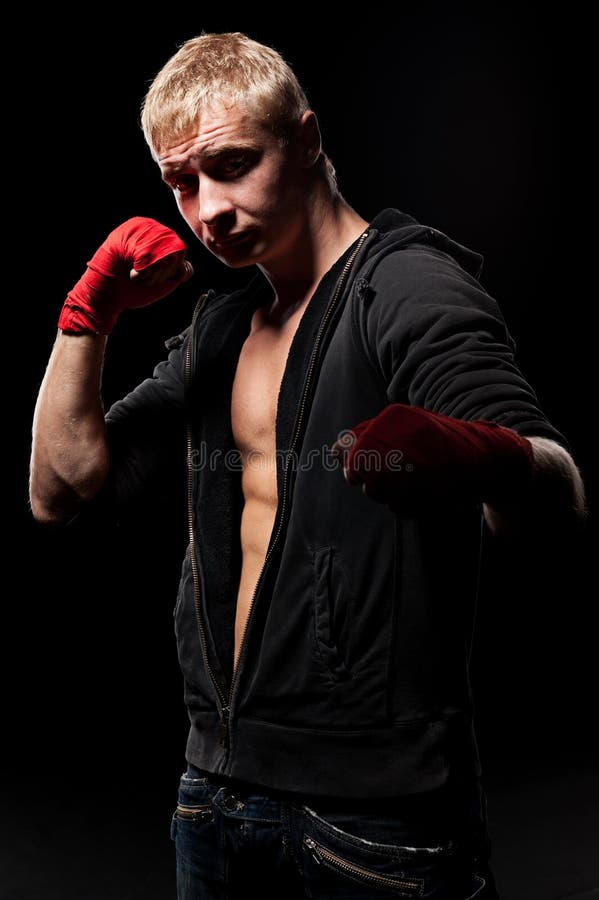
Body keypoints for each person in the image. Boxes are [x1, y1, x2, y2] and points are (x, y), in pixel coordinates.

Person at [30, 31, 585, 900]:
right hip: (210, 794)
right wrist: (86, 316)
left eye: (231, 164)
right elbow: (60, 492)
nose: (206, 208)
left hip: (371, 818)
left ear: (308, 139)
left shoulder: (405, 290)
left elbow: (560, 489)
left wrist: (480, 456)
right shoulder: (219, 329)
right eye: (181, 182)